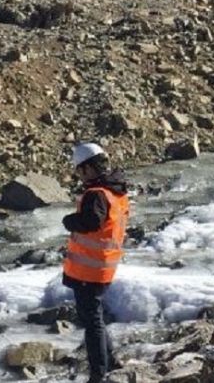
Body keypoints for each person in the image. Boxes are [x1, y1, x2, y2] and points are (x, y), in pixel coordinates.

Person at [62, 143, 131, 382]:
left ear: (89, 168)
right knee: (96, 317)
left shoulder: (96, 195)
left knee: (92, 323)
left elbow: (92, 221)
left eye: (80, 170)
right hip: (103, 266)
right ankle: (109, 361)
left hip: (89, 270)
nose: (79, 176)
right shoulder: (115, 191)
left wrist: (70, 221)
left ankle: (98, 374)